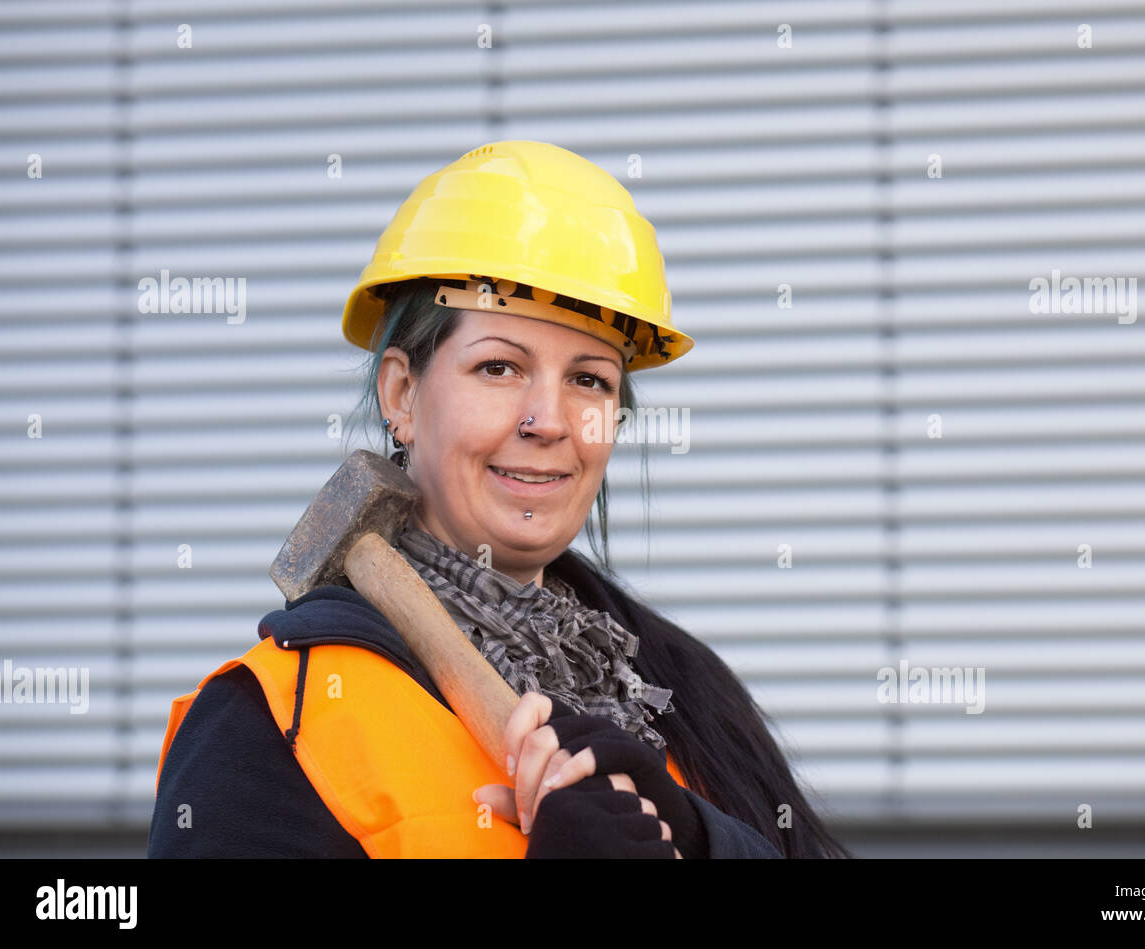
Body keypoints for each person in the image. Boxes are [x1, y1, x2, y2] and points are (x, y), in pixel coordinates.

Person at [148, 140, 848, 859]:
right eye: (499, 366)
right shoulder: (271, 722)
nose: (547, 420)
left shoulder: (683, 694)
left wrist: (701, 835)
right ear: (402, 393)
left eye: (590, 380)